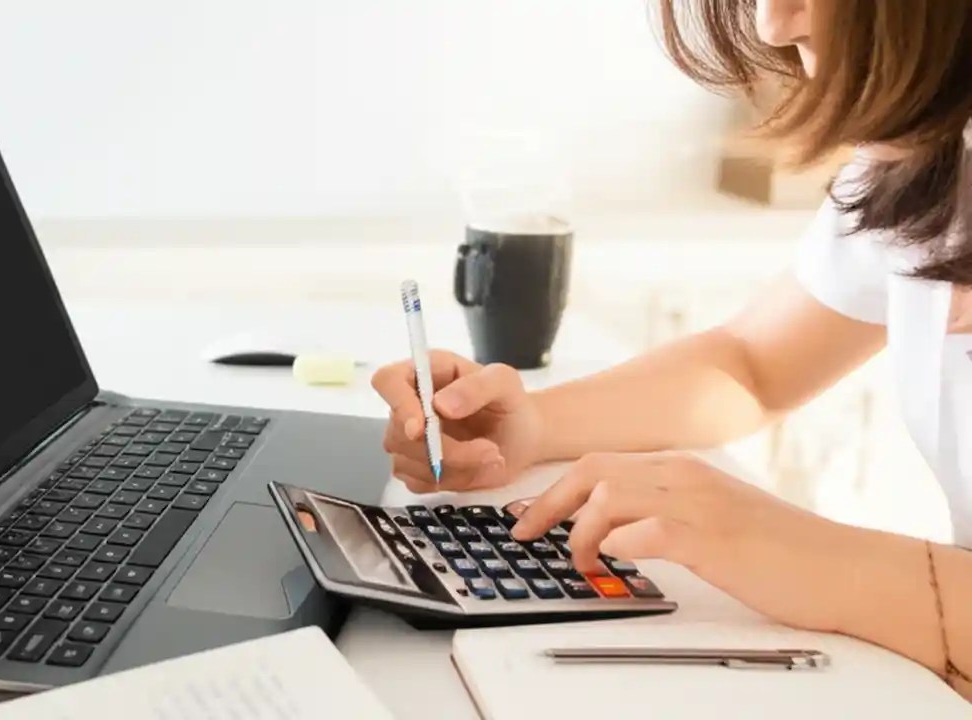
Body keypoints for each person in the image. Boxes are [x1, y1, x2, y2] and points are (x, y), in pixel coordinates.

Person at [372, 0, 972, 699]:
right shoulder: (923, 167)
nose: (774, 24)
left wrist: (805, 551)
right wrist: (532, 424)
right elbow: (751, 366)